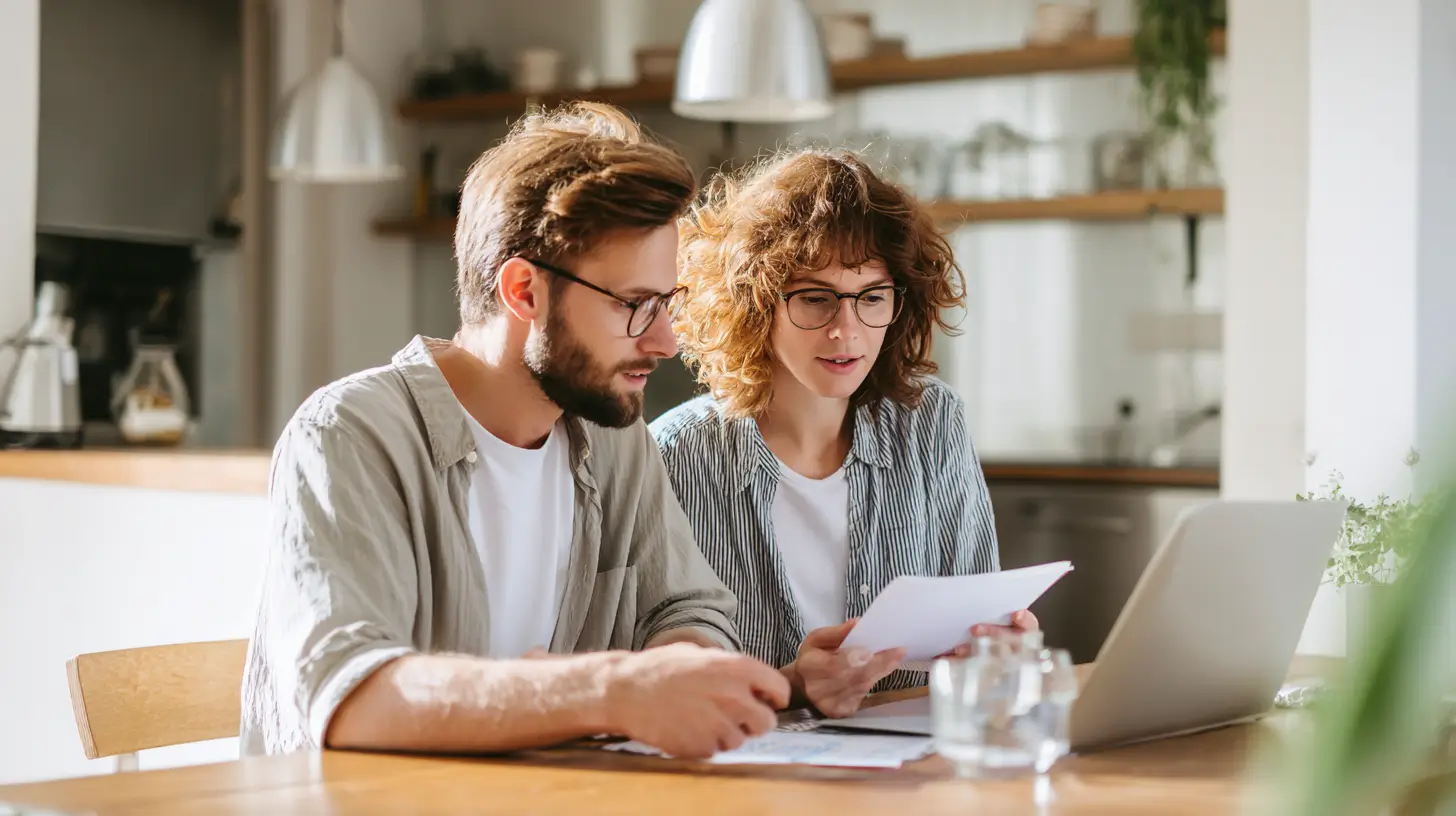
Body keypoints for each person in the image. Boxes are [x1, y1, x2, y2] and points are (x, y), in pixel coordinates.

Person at [241, 103, 791, 761]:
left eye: (667, 304)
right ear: (525, 291)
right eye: (635, 305)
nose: (667, 341)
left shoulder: (614, 439)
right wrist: (608, 689)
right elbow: (353, 695)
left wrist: (675, 675)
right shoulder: (348, 437)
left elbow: (690, 611)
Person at [650, 148, 1037, 718]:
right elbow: (660, 682)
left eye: (872, 298)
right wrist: (793, 686)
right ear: (756, 305)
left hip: (917, 778)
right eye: (815, 299)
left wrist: (1001, 649)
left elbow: (977, 616)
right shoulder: (678, 454)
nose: (845, 332)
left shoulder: (931, 423)